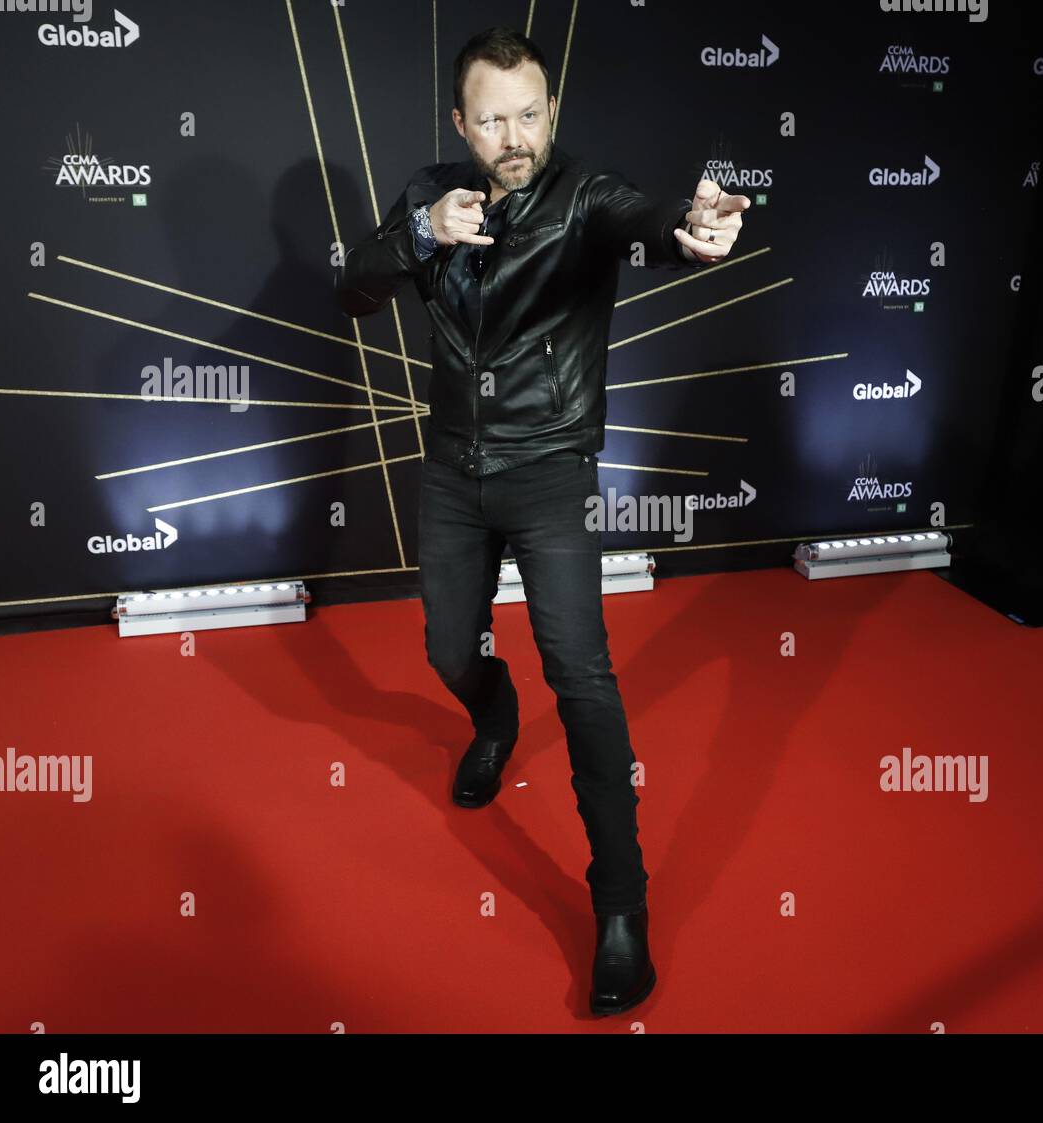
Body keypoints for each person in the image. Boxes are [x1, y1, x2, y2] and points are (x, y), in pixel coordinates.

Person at [334, 25, 749, 1017]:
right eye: (491, 118)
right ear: (459, 121)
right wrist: (421, 234)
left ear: (551, 111)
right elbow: (352, 289)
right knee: (444, 652)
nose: (513, 136)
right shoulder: (433, 196)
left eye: (529, 114)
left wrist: (691, 232)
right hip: (449, 471)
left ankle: (621, 910)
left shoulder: (587, 199)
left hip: (549, 469)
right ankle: (492, 710)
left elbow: (649, 228)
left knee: (584, 674)